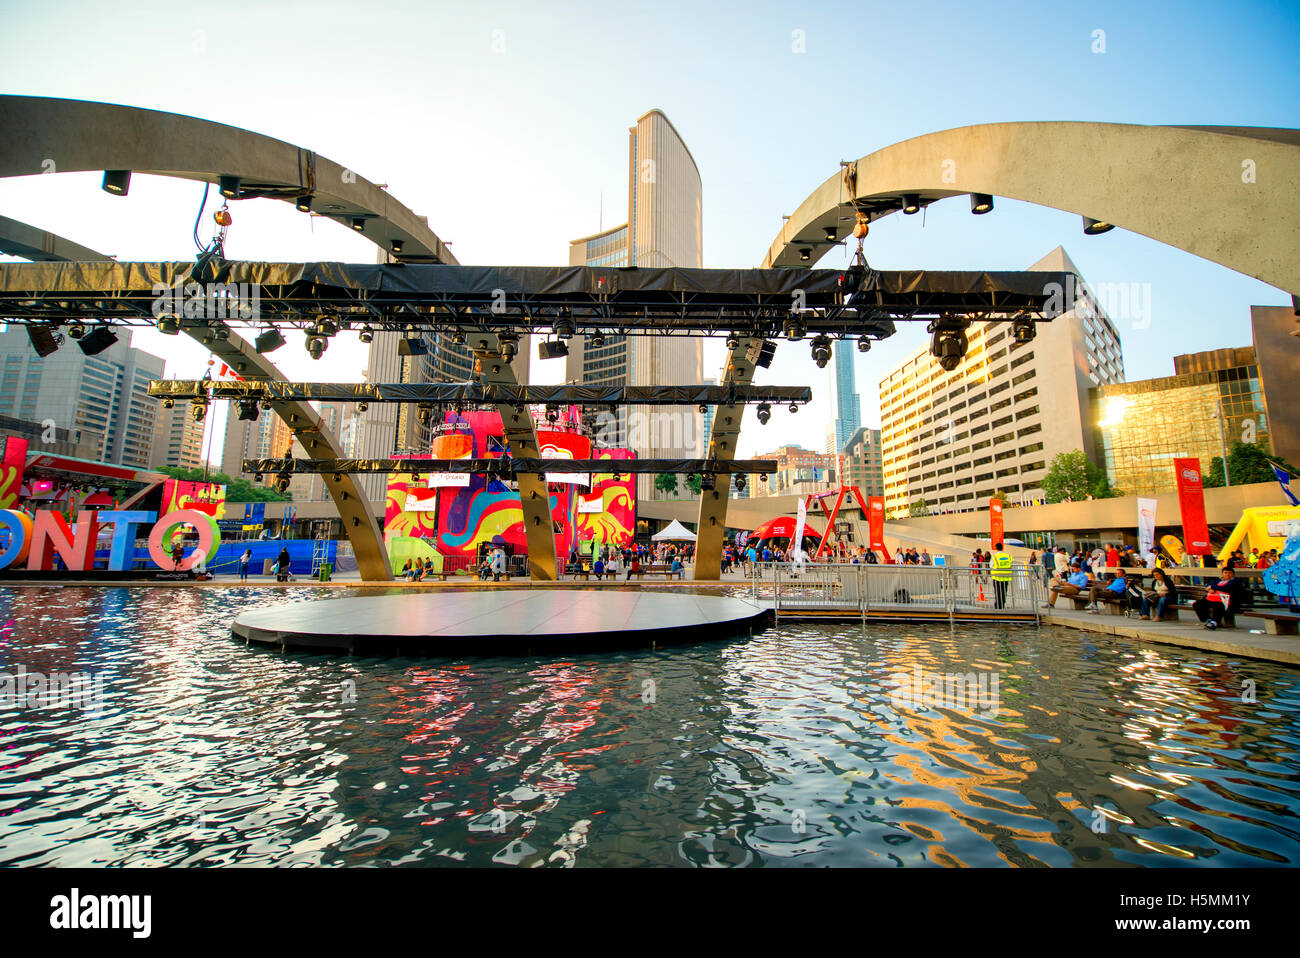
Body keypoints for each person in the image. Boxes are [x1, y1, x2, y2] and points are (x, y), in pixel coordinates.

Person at [990, 542, 1014, 609]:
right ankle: (1002, 604)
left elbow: (991, 565)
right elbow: (1011, 563)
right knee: (1004, 592)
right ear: (1002, 548)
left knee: (997, 593)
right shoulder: (1008, 556)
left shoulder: (994, 556)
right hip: (1006, 577)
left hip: (997, 577)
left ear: (996, 548)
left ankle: (998, 606)